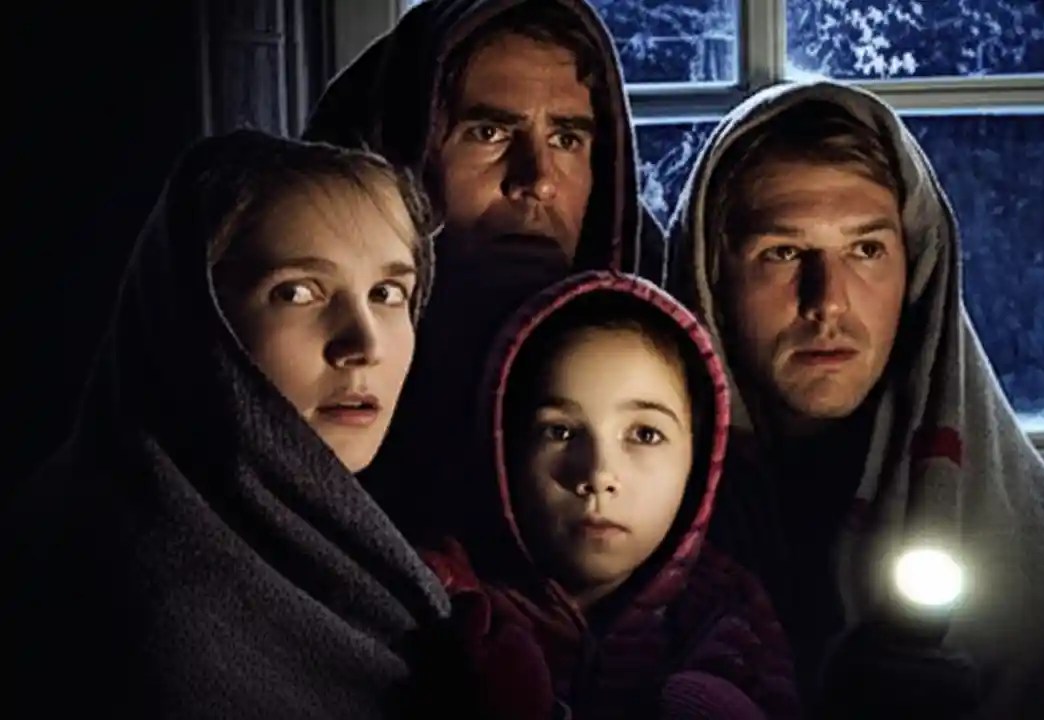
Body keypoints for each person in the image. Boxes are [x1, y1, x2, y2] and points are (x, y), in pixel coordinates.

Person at [666, 80, 1044, 718]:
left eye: (866, 250)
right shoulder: (639, 500)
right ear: (712, 278)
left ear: (916, 273)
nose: (827, 300)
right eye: (783, 252)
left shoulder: (1007, 523)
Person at [3, 130, 451, 718]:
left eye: (389, 293)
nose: (364, 343)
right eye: (297, 292)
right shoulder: (157, 622)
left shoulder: (339, 528)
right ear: (195, 321)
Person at [304, 0, 668, 544]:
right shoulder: (311, 407)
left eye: (567, 139)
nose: (538, 180)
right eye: (489, 133)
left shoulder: (674, 378)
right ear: (398, 156)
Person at [419, 271, 801, 719]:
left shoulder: (726, 610)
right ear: (504, 448)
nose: (598, 474)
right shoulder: (445, 597)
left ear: (699, 461)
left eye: (645, 434)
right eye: (560, 431)